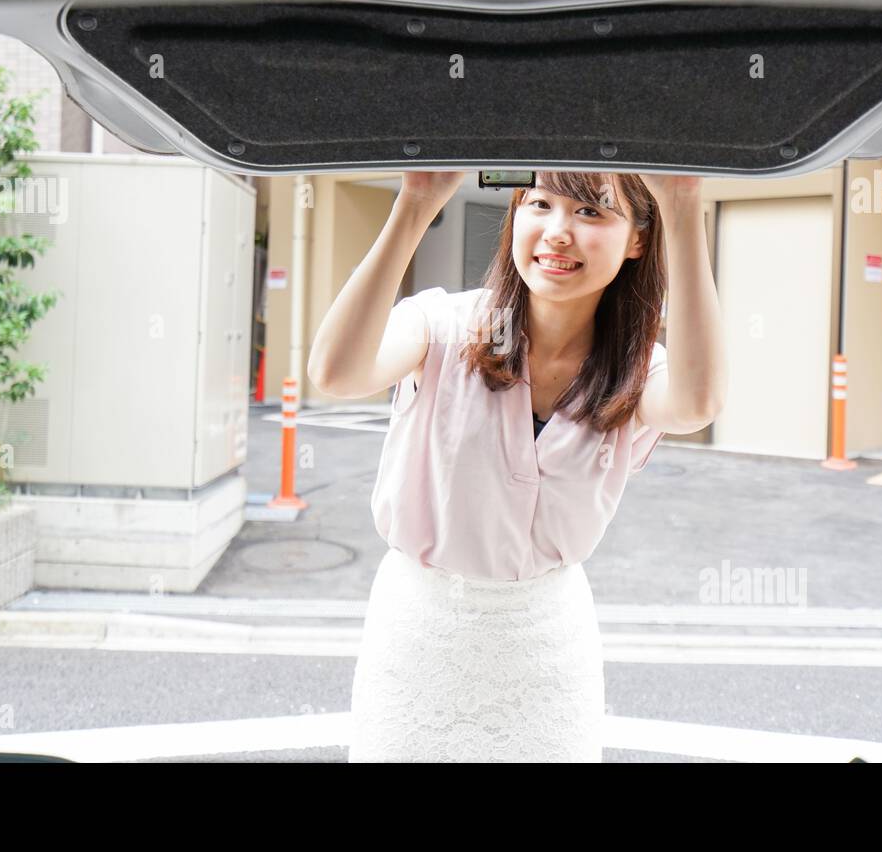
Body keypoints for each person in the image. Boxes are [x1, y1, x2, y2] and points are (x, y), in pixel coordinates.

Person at [307, 170, 727, 762]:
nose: (557, 232)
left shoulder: (638, 371)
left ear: (637, 239)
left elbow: (697, 402)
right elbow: (336, 372)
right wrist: (416, 203)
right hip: (417, 637)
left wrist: (683, 208)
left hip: (545, 648)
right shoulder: (445, 326)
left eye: (590, 213)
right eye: (540, 205)